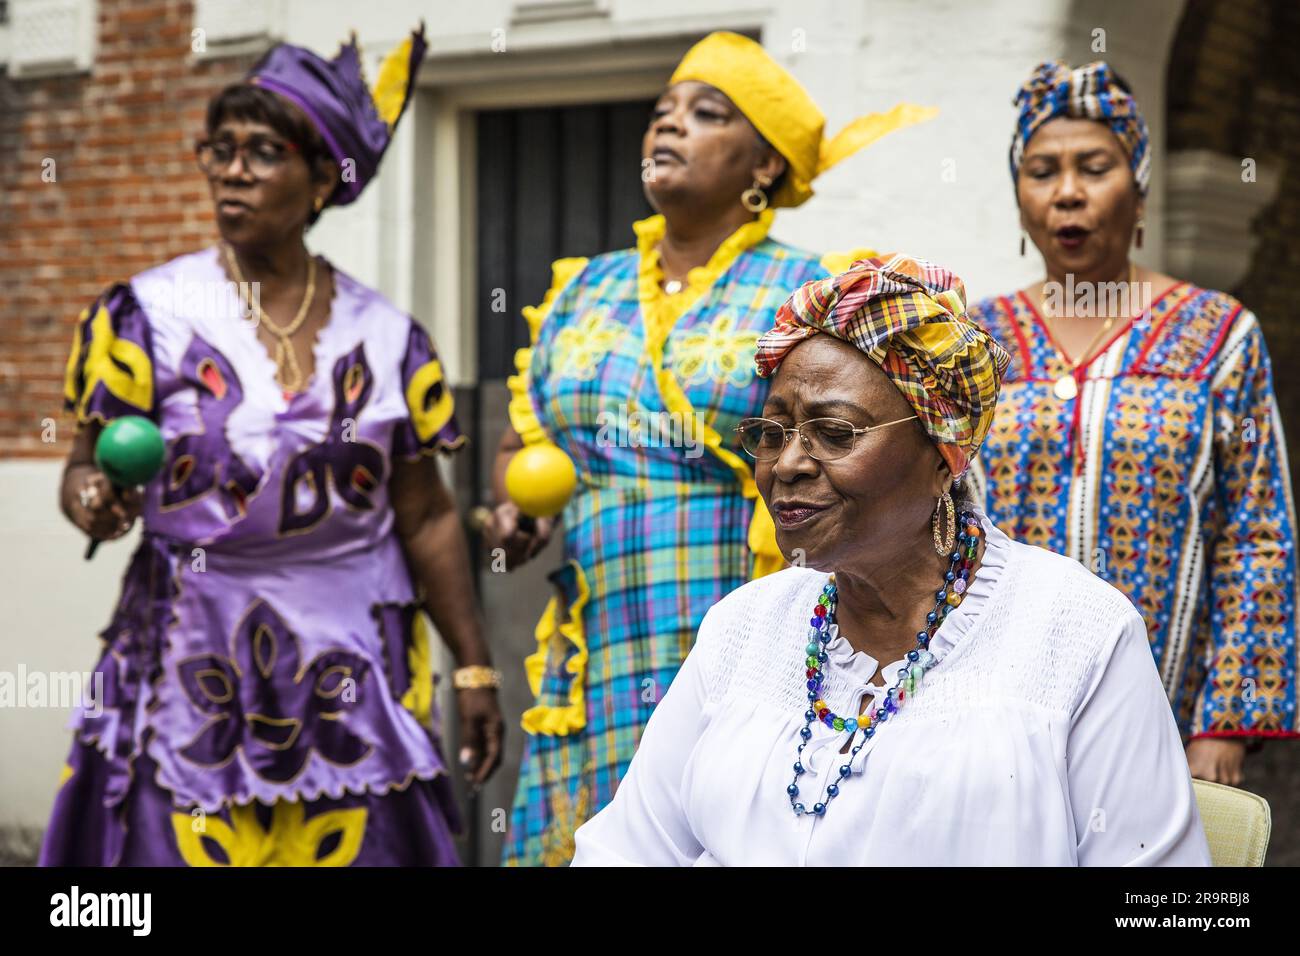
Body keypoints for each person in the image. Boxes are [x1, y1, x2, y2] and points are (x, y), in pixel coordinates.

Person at [570, 254, 1211, 866]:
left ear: (942, 455)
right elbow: (628, 849)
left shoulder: (1076, 632)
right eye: (773, 432)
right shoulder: (743, 628)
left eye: (835, 433)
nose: (787, 464)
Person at [42, 25, 504, 867]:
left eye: (262, 150)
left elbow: (429, 516)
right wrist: (93, 499)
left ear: (324, 176)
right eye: (218, 149)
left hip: (351, 663)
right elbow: (85, 466)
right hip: (186, 652)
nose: (232, 170)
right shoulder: (146, 315)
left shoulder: (388, 336)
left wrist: (475, 668)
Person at [488, 31, 935, 866]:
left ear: (764, 166)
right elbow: (525, 442)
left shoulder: (809, 295)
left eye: (705, 114)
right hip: (603, 622)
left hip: (745, 606)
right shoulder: (583, 288)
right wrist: (512, 509)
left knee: (733, 822)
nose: (669, 127)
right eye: (662, 112)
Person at [966, 61, 1299, 786]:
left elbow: (1257, 532)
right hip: (996, 709)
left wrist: (1228, 723)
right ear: (1021, 200)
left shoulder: (1217, 334)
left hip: (1166, 721)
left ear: (1139, 186)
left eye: (1095, 167)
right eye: (1042, 171)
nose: (1068, 193)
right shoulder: (975, 340)